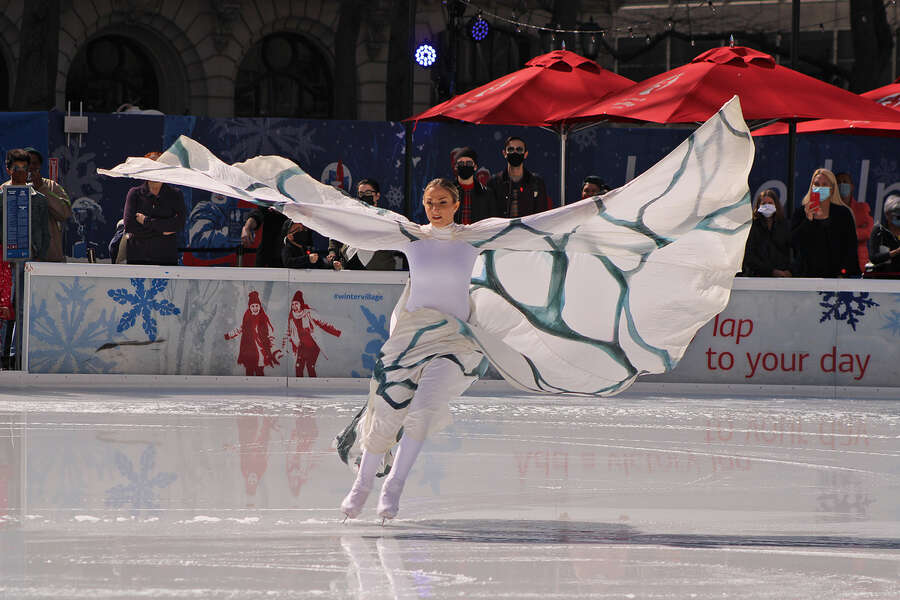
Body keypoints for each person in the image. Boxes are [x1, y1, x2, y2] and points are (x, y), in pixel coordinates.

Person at [99, 97, 755, 521]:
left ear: (456, 206)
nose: (439, 210)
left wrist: (607, 210)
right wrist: (290, 203)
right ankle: (362, 482)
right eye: (433, 203)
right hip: (412, 332)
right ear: (426, 205)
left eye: (446, 204)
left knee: (431, 409)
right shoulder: (406, 232)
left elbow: (554, 225)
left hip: (462, 336)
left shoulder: (481, 232)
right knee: (387, 410)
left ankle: (389, 493)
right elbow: (344, 221)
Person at [791, 168, 860, 278]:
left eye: (824, 185)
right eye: (816, 184)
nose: (820, 188)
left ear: (832, 189)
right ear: (811, 187)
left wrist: (844, 273)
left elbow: (851, 247)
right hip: (807, 277)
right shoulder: (801, 213)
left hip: (837, 277)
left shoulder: (843, 214)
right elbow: (793, 244)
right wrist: (808, 220)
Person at [123, 152, 186, 266]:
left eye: (158, 168)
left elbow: (180, 224)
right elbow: (130, 226)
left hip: (166, 260)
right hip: (138, 259)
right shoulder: (134, 193)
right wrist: (163, 229)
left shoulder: (176, 194)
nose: (155, 173)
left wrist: (146, 221)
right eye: (150, 169)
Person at [327, 179, 404, 271]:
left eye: (368, 192)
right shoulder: (351, 214)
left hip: (378, 270)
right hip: (348, 267)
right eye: (361, 193)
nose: (364, 196)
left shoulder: (387, 217)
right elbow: (335, 233)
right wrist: (333, 253)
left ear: (377, 195)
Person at [0, 149, 50, 261]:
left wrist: (40, 258)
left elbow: (45, 234)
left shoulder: (39, 200)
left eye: (25, 168)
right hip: (4, 262)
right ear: (8, 170)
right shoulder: (1, 198)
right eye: (16, 168)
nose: (21, 172)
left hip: (32, 259)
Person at [25, 147, 71, 262]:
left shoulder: (52, 186)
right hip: (18, 257)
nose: (31, 167)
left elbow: (65, 213)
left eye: (34, 163)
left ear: (39, 166)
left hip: (48, 258)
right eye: (27, 163)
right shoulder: (8, 187)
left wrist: (42, 189)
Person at [283, 290, 342, 377]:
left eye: (296, 304)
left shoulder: (310, 313)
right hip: (302, 346)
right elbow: (287, 332)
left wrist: (337, 333)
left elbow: (323, 324)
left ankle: (312, 385)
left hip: (313, 345)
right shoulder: (291, 317)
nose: (294, 306)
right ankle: (298, 386)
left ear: (301, 304)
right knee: (298, 367)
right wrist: (284, 347)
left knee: (310, 366)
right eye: (293, 304)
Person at [487, 136, 549, 218]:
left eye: (519, 150)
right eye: (511, 149)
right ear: (504, 153)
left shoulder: (536, 182)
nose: (515, 152)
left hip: (528, 230)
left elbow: (541, 216)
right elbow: (489, 216)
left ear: (525, 154)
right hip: (501, 230)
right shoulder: (494, 182)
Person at [225, 290, 281, 376]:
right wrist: (229, 335)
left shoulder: (263, 318)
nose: (255, 308)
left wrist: (273, 348)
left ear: (259, 306)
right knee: (249, 371)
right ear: (250, 307)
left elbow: (269, 333)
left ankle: (261, 387)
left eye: (257, 306)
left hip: (260, 351)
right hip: (249, 350)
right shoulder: (247, 318)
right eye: (253, 306)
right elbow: (240, 328)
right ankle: (248, 387)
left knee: (259, 371)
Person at [742, 189, 793, 277]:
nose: (767, 206)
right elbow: (749, 256)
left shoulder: (785, 226)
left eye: (770, 203)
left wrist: (789, 271)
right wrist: (771, 272)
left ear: (776, 205)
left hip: (783, 276)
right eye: (764, 203)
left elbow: (791, 251)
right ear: (758, 206)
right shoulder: (752, 227)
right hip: (758, 276)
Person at [836, 172, 874, 273]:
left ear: (852, 186)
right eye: (838, 182)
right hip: (836, 262)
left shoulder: (862, 208)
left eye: (845, 182)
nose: (842, 184)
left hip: (859, 263)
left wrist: (848, 234)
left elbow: (869, 232)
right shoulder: (830, 209)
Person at [452, 147, 496, 223]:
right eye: (461, 163)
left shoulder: (487, 194)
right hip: (453, 234)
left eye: (469, 163)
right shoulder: (448, 192)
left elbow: (493, 223)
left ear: (475, 167)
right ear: (456, 167)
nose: (465, 165)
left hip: (479, 234)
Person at [867, 194, 900, 275]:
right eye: (897, 216)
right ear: (887, 215)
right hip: (883, 278)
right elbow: (874, 257)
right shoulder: (879, 230)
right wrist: (896, 252)